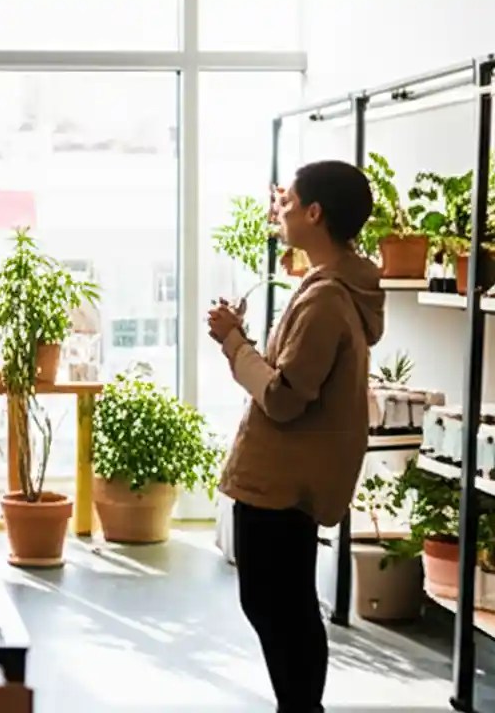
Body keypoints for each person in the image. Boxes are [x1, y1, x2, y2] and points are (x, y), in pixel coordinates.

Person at [206, 160, 385, 713]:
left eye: (287, 203)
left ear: (315, 213)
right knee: (286, 604)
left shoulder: (326, 297)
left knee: (276, 605)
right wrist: (245, 345)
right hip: (297, 479)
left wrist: (235, 344)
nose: (278, 212)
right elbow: (295, 378)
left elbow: (283, 397)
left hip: (277, 482)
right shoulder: (340, 288)